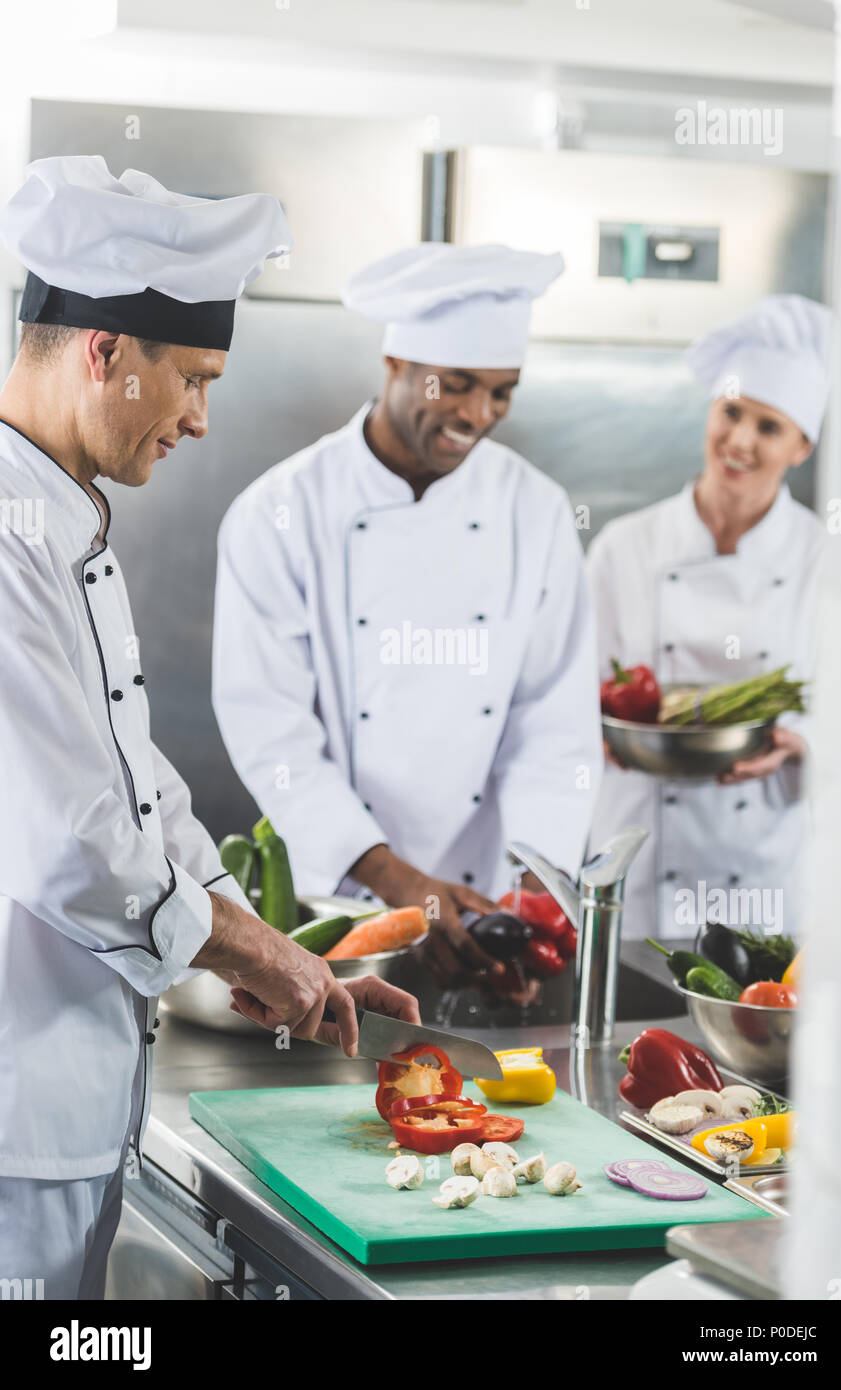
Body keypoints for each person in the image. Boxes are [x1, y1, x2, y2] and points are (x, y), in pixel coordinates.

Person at [0, 156, 419, 1301]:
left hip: (63, 1114)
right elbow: (70, 845)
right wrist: (253, 949)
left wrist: (299, 963)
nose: (197, 417)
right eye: (191, 378)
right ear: (104, 350)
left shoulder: (59, 523)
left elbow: (140, 795)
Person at [212, 242, 602, 988]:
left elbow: (553, 728)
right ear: (394, 364)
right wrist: (392, 879)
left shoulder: (537, 512)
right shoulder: (279, 512)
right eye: (454, 384)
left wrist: (524, 907)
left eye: (500, 392)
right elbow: (270, 730)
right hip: (346, 899)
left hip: (487, 900)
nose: (477, 415)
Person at [586, 294, 831, 940]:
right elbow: (573, 694)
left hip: (758, 867)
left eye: (769, 426)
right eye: (730, 412)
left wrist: (799, 740)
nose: (740, 441)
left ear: (801, 445)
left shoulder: (825, 561)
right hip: (638, 856)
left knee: (748, 1021)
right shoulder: (624, 545)